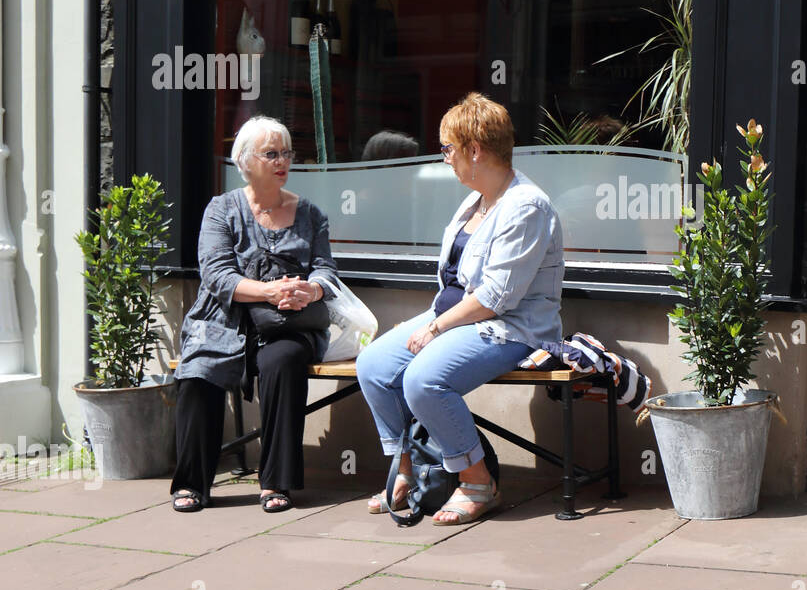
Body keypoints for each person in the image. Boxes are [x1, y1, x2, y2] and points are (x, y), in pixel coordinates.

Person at [356, 93, 563, 524]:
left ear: (475, 150)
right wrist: (430, 321)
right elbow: (455, 281)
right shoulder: (474, 200)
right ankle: (405, 473)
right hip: (452, 318)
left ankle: (477, 482)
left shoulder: (526, 206)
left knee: (423, 380)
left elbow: (496, 298)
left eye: (448, 148)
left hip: (510, 328)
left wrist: (434, 330)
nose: (445, 158)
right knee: (374, 364)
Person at [170, 116, 339, 513]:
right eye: (271, 153)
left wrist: (309, 289)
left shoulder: (310, 213)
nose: (283, 160)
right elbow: (216, 274)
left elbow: (327, 271)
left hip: (287, 321)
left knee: (285, 362)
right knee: (198, 372)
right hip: (223, 317)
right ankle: (193, 483)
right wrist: (268, 290)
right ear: (244, 161)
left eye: (286, 153)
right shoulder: (221, 209)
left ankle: (276, 483)